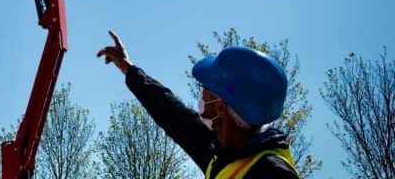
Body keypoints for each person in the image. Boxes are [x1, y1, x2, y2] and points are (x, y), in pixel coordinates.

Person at [97, 31, 300, 179]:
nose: (201, 93)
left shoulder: (272, 173)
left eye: (205, 86)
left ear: (221, 107)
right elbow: (169, 111)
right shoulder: (221, 152)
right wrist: (128, 68)